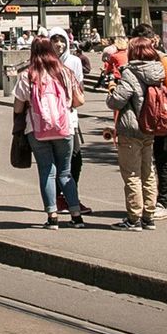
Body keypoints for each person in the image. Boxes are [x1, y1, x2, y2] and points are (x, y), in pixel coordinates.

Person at [13, 36, 84, 228]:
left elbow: (18, 107)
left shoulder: (28, 75)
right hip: (64, 128)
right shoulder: (65, 72)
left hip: (37, 129)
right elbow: (79, 101)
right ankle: (76, 215)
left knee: (47, 171)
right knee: (65, 172)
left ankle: (52, 216)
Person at [106, 36, 162, 230]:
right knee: (148, 173)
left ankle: (134, 218)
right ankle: (149, 216)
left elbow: (116, 101)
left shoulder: (130, 73)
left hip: (131, 128)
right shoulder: (157, 71)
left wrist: (112, 89)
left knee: (132, 174)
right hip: (150, 126)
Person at [131, 21, 167, 220]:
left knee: (162, 159)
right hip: (145, 119)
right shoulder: (139, 60)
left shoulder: (164, 61)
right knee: (147, 161)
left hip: (161, 119)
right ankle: (149, 201)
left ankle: (163, 202)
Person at [48, 28, 91, 215]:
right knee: (55, 161)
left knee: (75, 158)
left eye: (62, 41)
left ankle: (70, 196)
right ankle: (59, 198)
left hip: (70, 118)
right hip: (50, 120)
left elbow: (80, 90)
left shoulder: (74, 61)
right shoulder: (43, 63)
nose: (59, 45)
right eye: (55, 41)